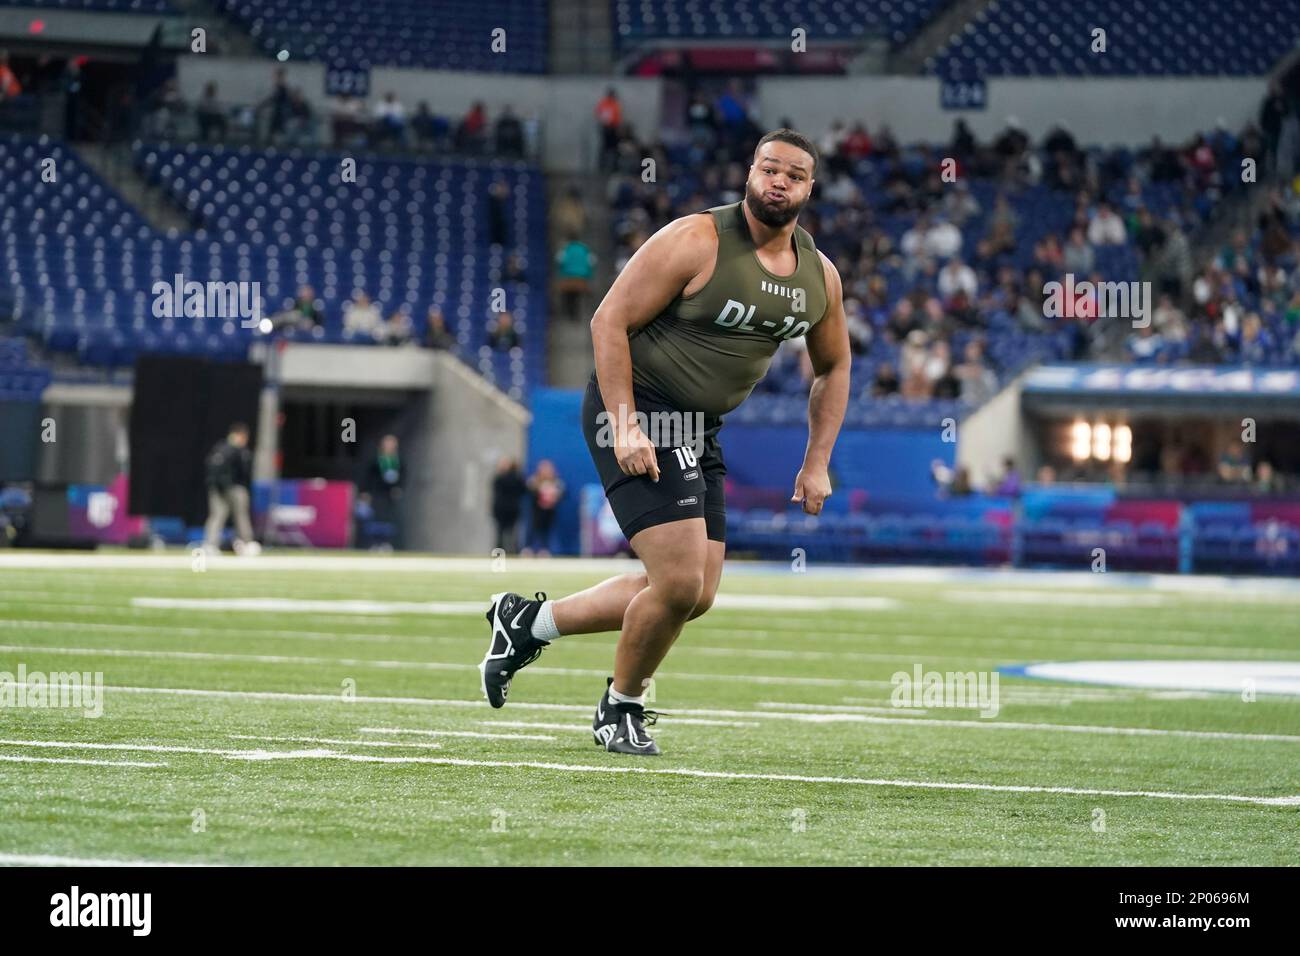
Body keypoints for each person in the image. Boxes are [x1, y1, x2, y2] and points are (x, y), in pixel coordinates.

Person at [477, 129, 850, 756]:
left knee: (693, 594)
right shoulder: (696, 239)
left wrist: (817, 462)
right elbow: (608, 320)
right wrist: (624, 423)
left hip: (702, 426)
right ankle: (620, 708)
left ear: (810, 189)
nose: (778, 181)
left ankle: (526, 623)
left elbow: (834, 366)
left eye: (793, 174)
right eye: (768, 168)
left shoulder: (820, 276)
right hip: (642, 405)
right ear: (750, 173)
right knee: (676, 584)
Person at [203, 423, 256, 554]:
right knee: (234, 515)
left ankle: (212, 544)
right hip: (232, 488)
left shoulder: (223, 448)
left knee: (222, 515)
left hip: (222, 488)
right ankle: (244, 543)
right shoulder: (232, 450)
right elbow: (243, 472)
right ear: (240, 435)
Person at [362, 435, 404, 549]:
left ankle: (386, 543)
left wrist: (399, 488)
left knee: (388, 519)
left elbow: (402, 477)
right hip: (376, 493)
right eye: (387, 443)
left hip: (389, 495)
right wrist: (365, 492)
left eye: (392, 443)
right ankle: (375, 543)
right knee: (375, 518)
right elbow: (368, 477)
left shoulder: (398, 461)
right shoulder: (375, 461)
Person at [522, 460, 564, 556]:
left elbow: (562, 493)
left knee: (547, 531)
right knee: (532, 529)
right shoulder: (534, 480)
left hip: (549, 511)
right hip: (536, 511)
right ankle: (528, 548)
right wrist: (537, 489)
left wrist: (554, 495)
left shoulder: (556, 482)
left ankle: (545, 549)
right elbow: (529, 490)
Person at [491, 457, 527, 553]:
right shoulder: (513, 478)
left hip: (508, 509)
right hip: (505, 508)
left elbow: (523, 490)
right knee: (504, 533)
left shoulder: (503, 477)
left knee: (506, 533)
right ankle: (507, 553)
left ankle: (506, 553)